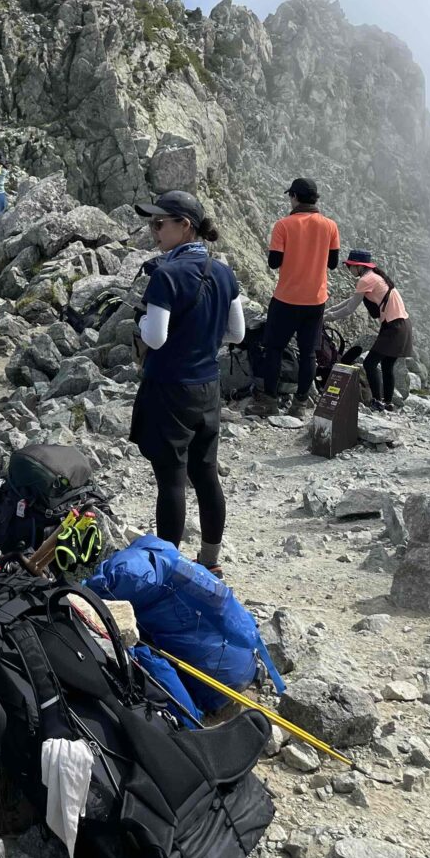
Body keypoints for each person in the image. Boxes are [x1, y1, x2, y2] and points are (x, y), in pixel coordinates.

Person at [129, 192, 245, 576]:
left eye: (160, 223)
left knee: (171, 481)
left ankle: (167, 568)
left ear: (185, 226)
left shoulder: (165, 274)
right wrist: (202, 338)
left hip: (168, 387)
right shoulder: (224, 272)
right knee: (206, 472)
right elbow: (238, 333)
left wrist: (140, 325)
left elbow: (156, 338)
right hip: (208, 387)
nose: (155, 230)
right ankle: (210, 560)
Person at [250, 177, 341, 416]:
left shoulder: (283, 225)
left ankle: (269, 401)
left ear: (295, 197)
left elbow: (273, 262)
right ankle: (300, 405)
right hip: (316, 300)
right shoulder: (330, 225)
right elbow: (332, 263)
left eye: (290, 196)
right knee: (309, 352)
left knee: (274, 349)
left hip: (286, 298)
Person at [325, 250, 413, 410]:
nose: (348, 269)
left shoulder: (365, 280)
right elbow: (350, 300)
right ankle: (388, 403)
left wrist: (325, 317)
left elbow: (349, 309)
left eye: (349, 266)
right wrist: (327, 313)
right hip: (403, 326)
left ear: (358, 266)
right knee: (387, 366)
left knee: (370, 363)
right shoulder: (374, 277)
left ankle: (377, 401)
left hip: (393, 327)